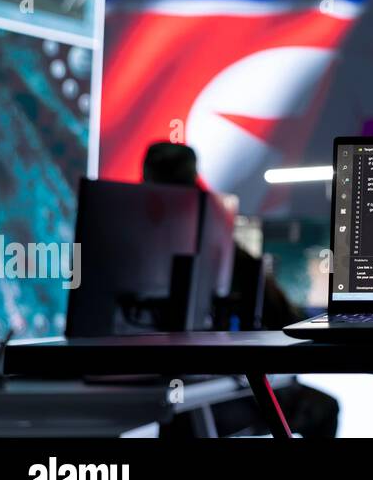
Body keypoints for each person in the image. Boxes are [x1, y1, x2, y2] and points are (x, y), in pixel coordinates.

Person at [142, 142, 340, 438]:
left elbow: (282, 314)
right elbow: (286, 316)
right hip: (208, 392)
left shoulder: (140, 237)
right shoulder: (223, 248)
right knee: (323, 409)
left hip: (209, 390)